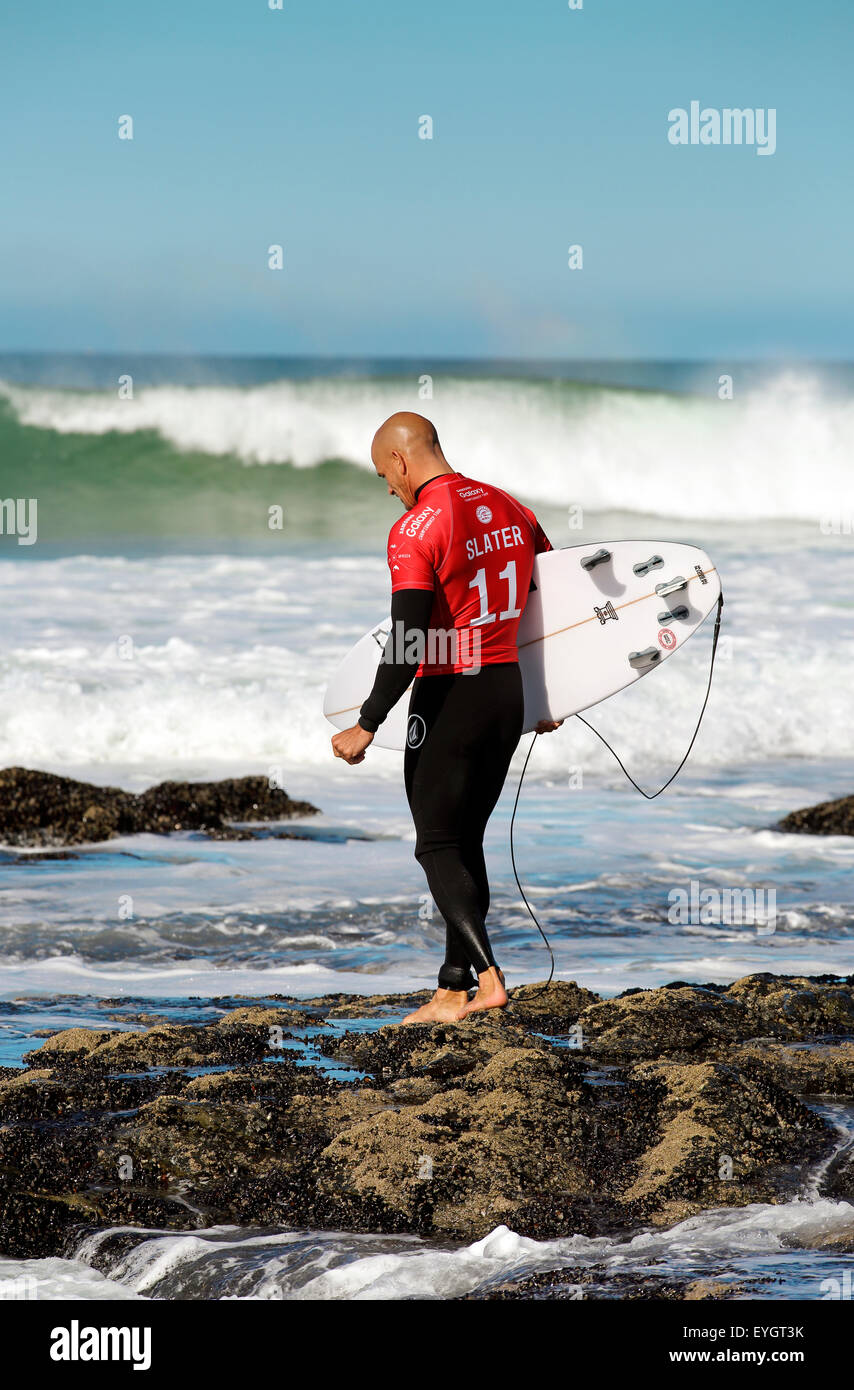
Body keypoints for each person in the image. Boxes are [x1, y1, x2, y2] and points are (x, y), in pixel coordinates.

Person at [331, 412, 561, 1023]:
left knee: (436, 842)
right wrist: (549, 696)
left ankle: (489, 978)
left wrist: (369, 721)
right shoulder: (511, 507)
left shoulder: (414, 528)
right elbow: (556, 606)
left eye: (385, 474)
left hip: (450, 695)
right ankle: (450, 989)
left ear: (402, 462)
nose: (388, 487)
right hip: (505, 692)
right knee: (466, 842)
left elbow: (408, 639)